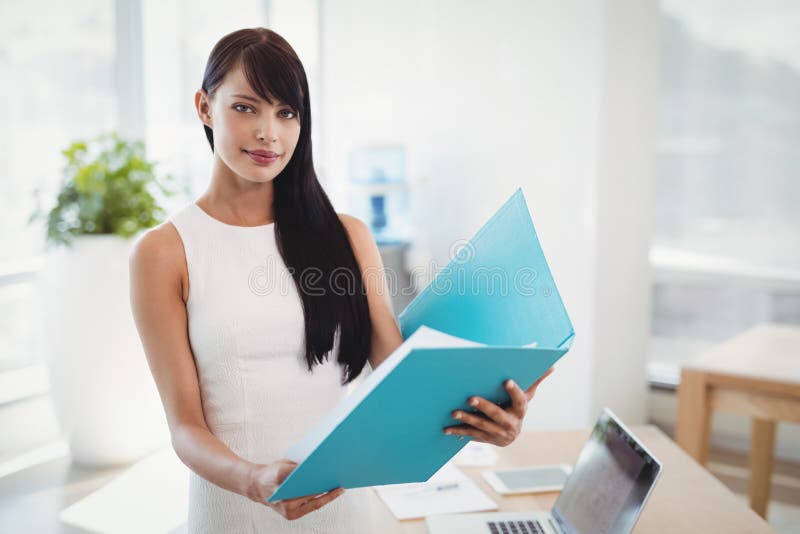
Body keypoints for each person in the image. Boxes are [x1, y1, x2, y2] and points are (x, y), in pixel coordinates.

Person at [129, 27, 552, 533]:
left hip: (342, 515)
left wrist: (488, 416)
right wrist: (255, 480)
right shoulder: (163, 252)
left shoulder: (347, 236)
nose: (268, 132)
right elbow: (185, 429)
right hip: (234, 514)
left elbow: (401, 384)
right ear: (204, 107)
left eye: (286, 113)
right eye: (245, 108)